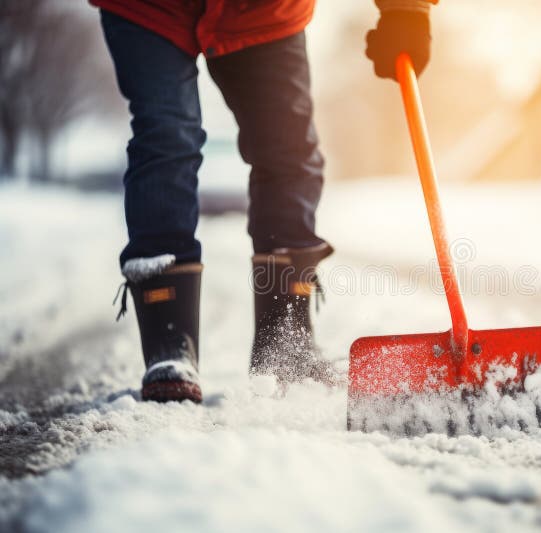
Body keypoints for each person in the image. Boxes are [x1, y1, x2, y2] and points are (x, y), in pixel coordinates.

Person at [93, 0, 437, 403]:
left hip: (262, 10)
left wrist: (408, 10)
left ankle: (284, 344)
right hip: (149, 8)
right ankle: (171, 347)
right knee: (166, 138)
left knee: (288, 147)